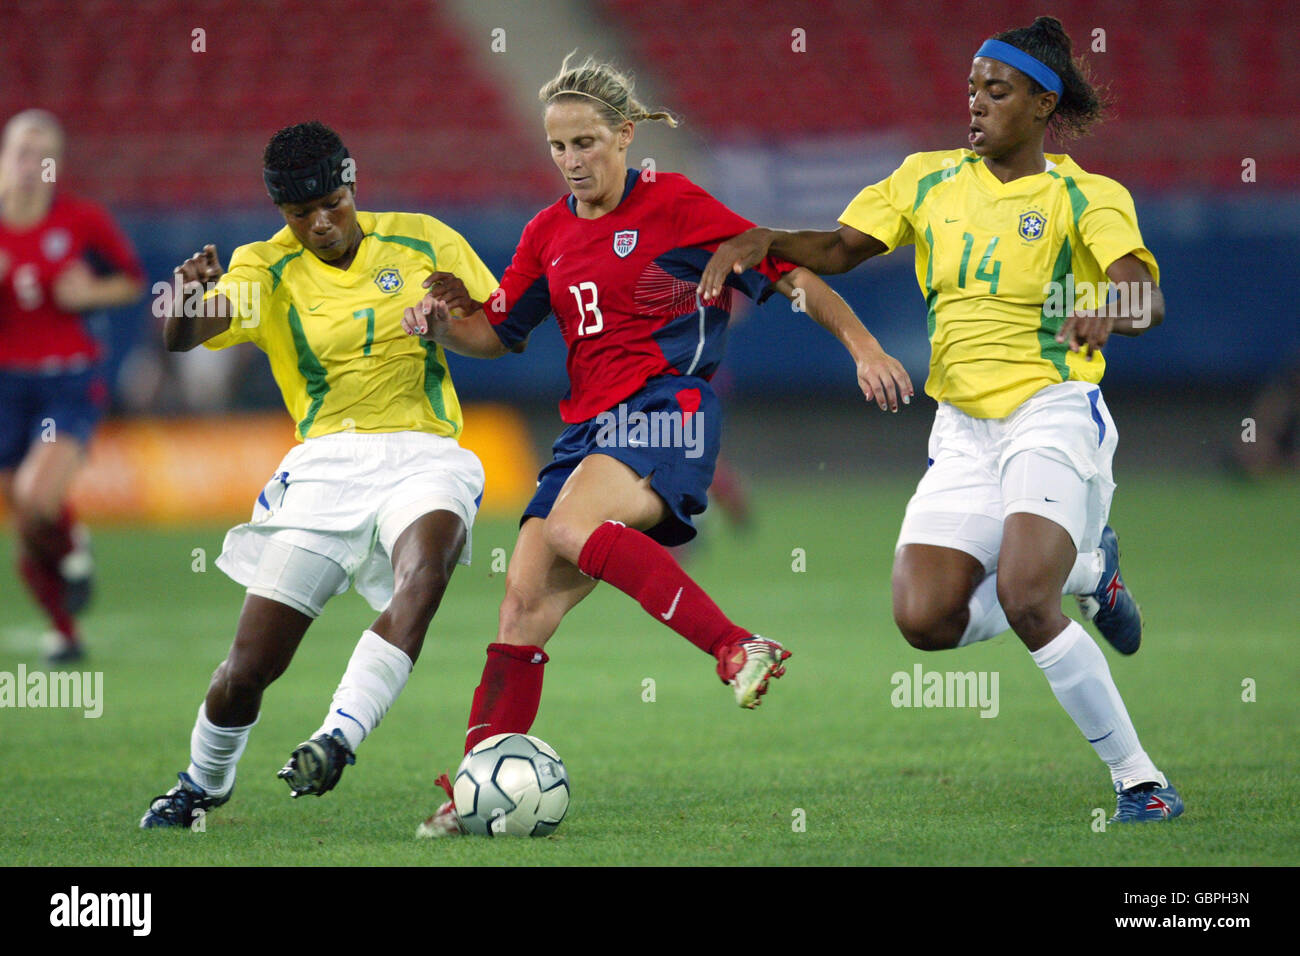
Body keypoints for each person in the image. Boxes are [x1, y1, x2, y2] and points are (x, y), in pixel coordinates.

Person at [410, 54, 912, 837]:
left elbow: (787, 274)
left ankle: (737, 647)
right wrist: (445, 321)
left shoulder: (675, 204)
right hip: (586, 432)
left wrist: (863, 345)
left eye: (586, 142)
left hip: (664, 411)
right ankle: (480, 788)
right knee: (521, 606)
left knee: (573, 527)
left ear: (625, 134)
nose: (573, 161)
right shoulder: (545, 233)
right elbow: (498, 334)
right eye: (558, 148)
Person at [700, 17, 1182, 824]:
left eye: (997, 91)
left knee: (1027, 600)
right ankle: (1090, 571)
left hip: (1051, 411)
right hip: (961, 427)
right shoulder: (927, 180)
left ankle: (1140, 781)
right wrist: (768, 240)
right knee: (925, 620)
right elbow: (843, 247)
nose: (977, 103)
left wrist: (1107, 303)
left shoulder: (1083, 196)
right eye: (971, 89)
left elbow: (1146, 293)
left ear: (1041, 103)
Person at [139, 121, 495, 828]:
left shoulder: (426, 239)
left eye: (333, 203)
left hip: (425, 451)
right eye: (302, 215)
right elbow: (186, 337)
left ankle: (337, 737)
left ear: (353, 182)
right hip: (325, 467)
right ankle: (203, 784)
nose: (322, 223)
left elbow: (497, 333)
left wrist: (445, 326)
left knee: (424, 574)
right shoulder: (263, 267)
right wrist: (180, 301)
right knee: (246, 673)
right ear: (281, 213)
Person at [0, 109, 145, 663]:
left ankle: (71, 549)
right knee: (28, 520)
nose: (29, 164)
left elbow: (131, 281)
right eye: (20, 151)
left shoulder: (82, 221)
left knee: (36, 496)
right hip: (7, 389)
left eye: (43, 154)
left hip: (66, 379)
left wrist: (89, 293)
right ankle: (63, 625)